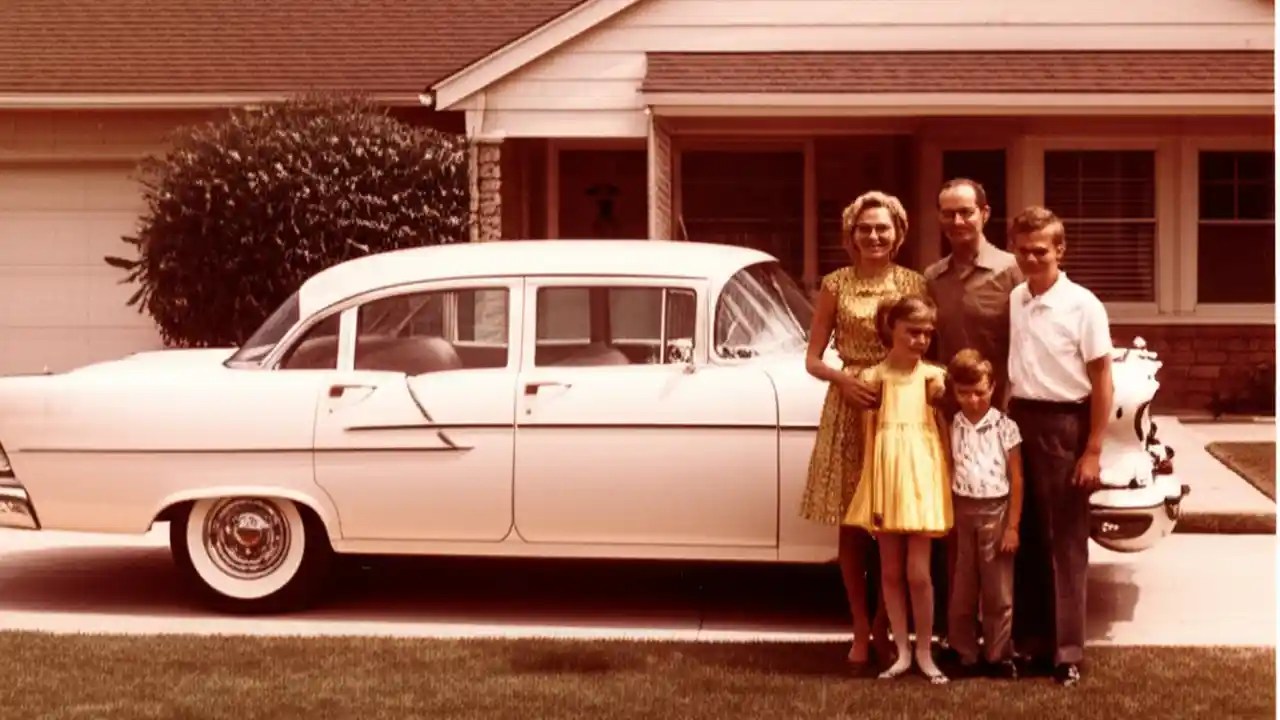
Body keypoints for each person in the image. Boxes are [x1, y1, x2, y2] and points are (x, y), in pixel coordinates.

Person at [800, 190, 928, 673]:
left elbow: (924, 339)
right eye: (864, 228)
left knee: (894, 521)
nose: (874, 236)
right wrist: (843, 380)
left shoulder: (913, 282)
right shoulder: (836, 284)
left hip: (900, 406)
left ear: (898, 233)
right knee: (854, 529)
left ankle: (885, 626)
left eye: (883, 228)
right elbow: (812, 358)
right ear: (851, 234)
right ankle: (858, 629)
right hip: (851, 405)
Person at [1006, 205, 1114, 687]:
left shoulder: (1084, 305)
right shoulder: (1016, 298)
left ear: (1060, 250)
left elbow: (1102, 379)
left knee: (1064, 542)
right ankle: (1032, 643)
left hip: (1065, 422)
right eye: (1024, 251)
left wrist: (1092, 448)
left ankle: (1068, 651)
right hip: (1020, 419)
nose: (1031, 259)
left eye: (1041, 252)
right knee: (1025, 535)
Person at [923, 177, 1022, 649]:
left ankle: (1005, 639)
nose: (957, 221)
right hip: (952, 424)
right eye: (948, 213)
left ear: (985, 213)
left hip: (1004, 421)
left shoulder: (1011, 272)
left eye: (966, 212)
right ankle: (958, 636)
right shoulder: (933, 278)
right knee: (958, 538)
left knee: (1003, 533)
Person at [843, 294, 954, 684]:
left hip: (922, 475)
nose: (921, 340)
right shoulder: (873, 378)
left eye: (927, 333)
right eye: (912, 332)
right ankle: (901, 650)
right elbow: (869, 437)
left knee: (918, 573)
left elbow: (941, 431)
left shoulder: (933, 378)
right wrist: (873, 487)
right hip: (888, 475)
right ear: (893, 329)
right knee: (890, 571)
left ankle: (924, 650)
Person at [944, 348, 1023, 680]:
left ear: (992, 388)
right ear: (954, 392)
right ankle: (964, 652)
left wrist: (1013, 527)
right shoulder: (951, 426)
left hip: (997, 510)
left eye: (979, 392)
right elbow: (948, 468)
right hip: (963, 510)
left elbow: (1016, 477)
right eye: (964, 392)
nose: (973, 399)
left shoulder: (1004, 427)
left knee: (997, 589)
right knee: (962, 587)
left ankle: (997, 653)